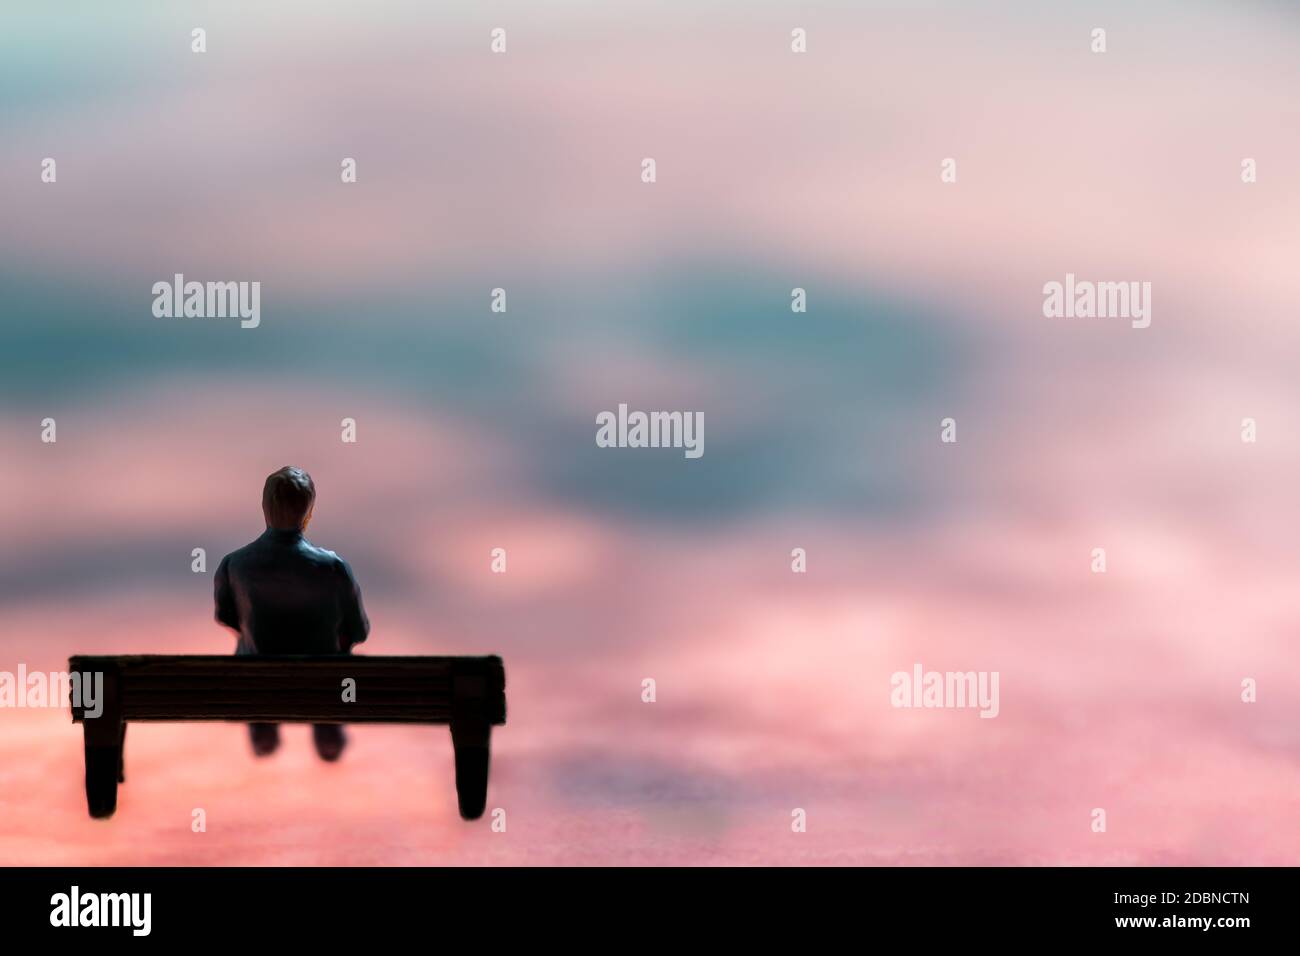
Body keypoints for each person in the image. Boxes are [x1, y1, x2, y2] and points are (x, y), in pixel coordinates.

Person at [214, 466, 370, 760]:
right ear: (308, 511)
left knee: (250, 646)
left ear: (264, 508)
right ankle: (327, 727)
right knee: (336, 651)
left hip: (257, 680)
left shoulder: (234, 565)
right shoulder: (334, 567)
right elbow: (359, 630)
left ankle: (262, 723)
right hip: (324, 682)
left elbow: (226, 617)